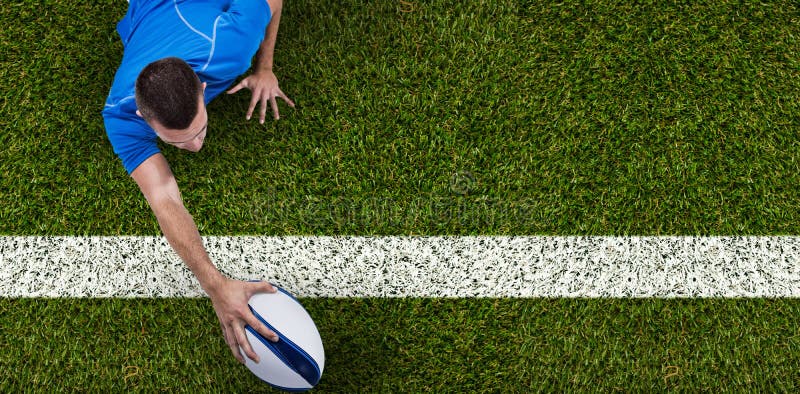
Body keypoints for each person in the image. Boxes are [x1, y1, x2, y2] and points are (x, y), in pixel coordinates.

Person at [101, 0, 294, 365]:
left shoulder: (230, 46)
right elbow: (163, 198)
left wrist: (264, 68)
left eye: (199, 130)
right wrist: (214, 285)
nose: (194, 146)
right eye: (177, 142)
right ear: (143, 116)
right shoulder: (121, 116)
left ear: (203, 89)